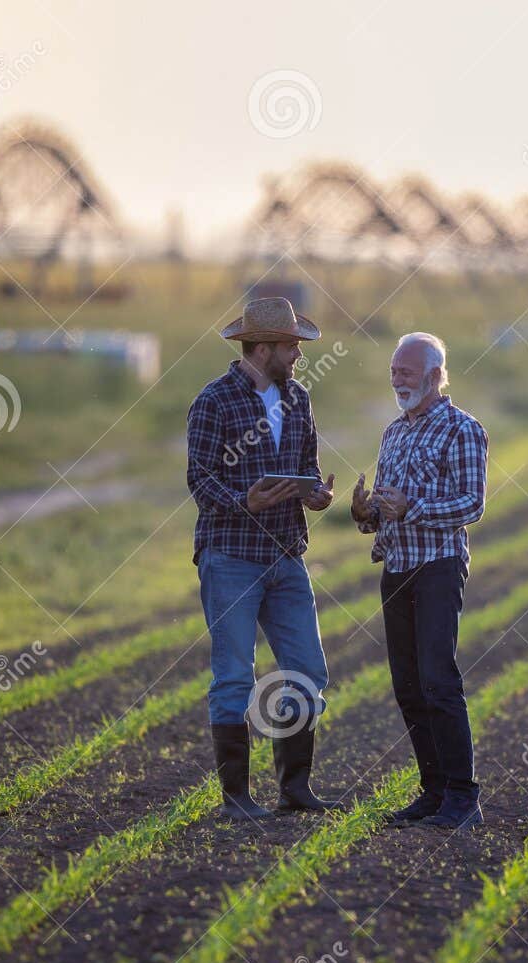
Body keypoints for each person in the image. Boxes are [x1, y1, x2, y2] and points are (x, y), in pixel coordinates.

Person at [186, 297, 341, 820]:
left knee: (307, 671)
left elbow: (307, 468)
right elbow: (199, 478)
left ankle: (293, 789)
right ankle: (236, 797)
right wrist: (241, 501)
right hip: (231, 557)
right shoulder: (214, 401)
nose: (299, 354)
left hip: (286, 555)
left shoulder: (298, 399)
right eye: (292, 345)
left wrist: (316, 495)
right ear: (264, 347)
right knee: (234, 676)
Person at [352, 332, 489, 830]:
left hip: (437, 567)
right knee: (408, 687)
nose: (396, 379)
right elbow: (388, 509)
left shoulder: (462, 430)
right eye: (393, 371)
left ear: (435, 376)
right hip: (397, 568)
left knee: (438, 680)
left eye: (405, 372)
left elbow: (472, 505)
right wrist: (366, 513)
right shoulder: (394, 432)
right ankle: (433, 792)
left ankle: (463, 794)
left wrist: (413, 508)